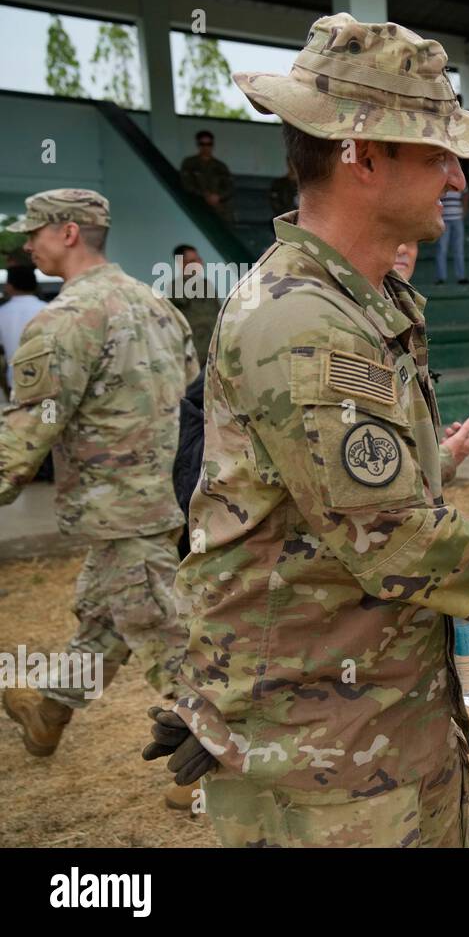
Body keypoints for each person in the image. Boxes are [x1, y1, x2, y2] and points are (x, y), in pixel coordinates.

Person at [140, 16, 469, 847]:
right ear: (362, 156)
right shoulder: (305, 324)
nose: (457, 176)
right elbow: (396, 540)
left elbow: (377, 506)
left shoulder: (363, 304)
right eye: (435, 154)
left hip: (372, 718)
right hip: (322, 750)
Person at [0, 189, 198, 810]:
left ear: (66, 233)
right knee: (104, 616)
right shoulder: (159, 306)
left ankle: (224, 772)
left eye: (32, 234)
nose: (26, 246)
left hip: (122, 514)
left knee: (168, 641)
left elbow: (26, 433)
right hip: (167, 502)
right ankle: (50, 712)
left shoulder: (62, 321)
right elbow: (196, 404)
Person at [158, 244, 221, 368]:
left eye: (199, 259)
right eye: (193, 261)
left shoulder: (206, 284)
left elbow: (218, 312)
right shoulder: (176, 286)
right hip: (200, 353)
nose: (199, 263)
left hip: (218, 346)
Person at [0, 264, 46, 394]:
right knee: (48, 414)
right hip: (47, 382)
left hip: (15, 381)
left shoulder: (2, 313)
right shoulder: (49, 309)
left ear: (9, 286)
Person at [179, 130, 235, 223]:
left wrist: (218, 196)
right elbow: (187, 184)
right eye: (202, 144)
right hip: (198, 207)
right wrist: (205, 195)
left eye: (209, 144)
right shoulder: (190, 163)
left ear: (212, 145)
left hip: (219, 209)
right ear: (198, 145)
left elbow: (229, 187)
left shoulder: (220, 166)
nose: (206, 147)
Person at [435, 184, 469, 285]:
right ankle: (441, 278)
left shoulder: (460, 181)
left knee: (458, 249)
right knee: (442, 249)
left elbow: (466, 195)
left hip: (457, 219)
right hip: (443, 220)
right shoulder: (441, 180)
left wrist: (464, 211)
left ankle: (461, 277)